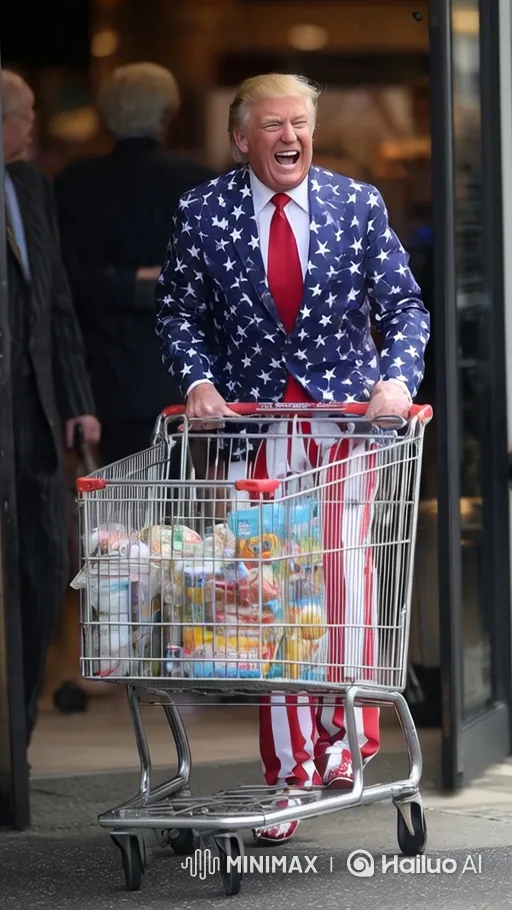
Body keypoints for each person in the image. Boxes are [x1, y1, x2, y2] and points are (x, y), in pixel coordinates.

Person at [155, 73, 430, 843]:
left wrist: (395, 379)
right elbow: (177, 311)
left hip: (345, 429)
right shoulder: (202, 211)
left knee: (342, 577)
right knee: (270, 592)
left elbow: (406, 305)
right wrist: (200, 383)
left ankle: (346, 738)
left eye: (300, 123)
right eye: (273, 124)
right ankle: (290, 773)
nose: (290, 137)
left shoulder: (358, 203)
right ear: (243, 139)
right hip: (255, 429)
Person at [1, 69, 101, 745]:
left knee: (41, 576)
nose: (36, 124)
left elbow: (57, 300)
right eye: (27, 112)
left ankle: (18, 744)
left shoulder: (33, 186)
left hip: (35, 418)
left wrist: (78, 400)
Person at [54, 62, 217, 465]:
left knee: (114, 515)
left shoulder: (75, 183)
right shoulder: (197, 180)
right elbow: (217, 281)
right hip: (183, 376)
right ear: (168, 113)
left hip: (105, 379)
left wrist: (127, 281)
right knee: (178, 514)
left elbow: (65, 282)